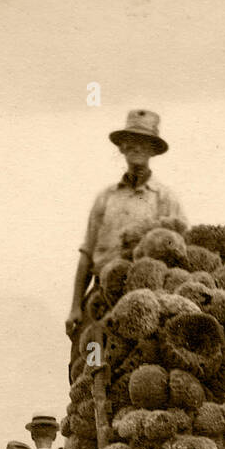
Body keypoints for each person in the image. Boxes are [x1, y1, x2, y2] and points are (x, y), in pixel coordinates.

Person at [66, 108, 185, 341]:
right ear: (122, 147)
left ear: (152, 149)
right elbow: (87, 254)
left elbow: (180, 251)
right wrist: (75, 306)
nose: (137, 147)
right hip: (101, 295)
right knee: (86, 362)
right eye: (131, 141)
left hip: (145, 296)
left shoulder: (164, 198)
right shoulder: (105, 198)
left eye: (144, 142)